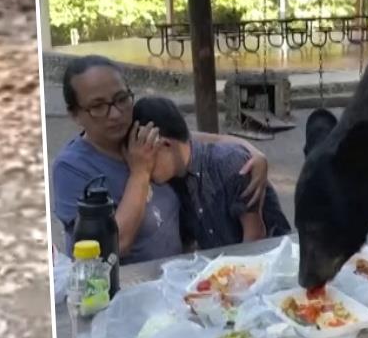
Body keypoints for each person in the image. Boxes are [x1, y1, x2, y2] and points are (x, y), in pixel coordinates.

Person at [51, 56, 271, 263]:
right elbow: (113, 247)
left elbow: (189, 140)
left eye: (121, 99)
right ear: (74, 115)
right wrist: (140, 173)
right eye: (98, 106)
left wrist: (254, 153)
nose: (116, 114)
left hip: (175, 280)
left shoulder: (138, 134)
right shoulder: (71, 168)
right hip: (124, 290)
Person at [130, 96, 292, 251]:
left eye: (145, 157)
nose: (142, 166)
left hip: (269, 259)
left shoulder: (230, 164)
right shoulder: (173, 182)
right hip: (223, 266)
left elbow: (255, 236)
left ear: (164, 144)